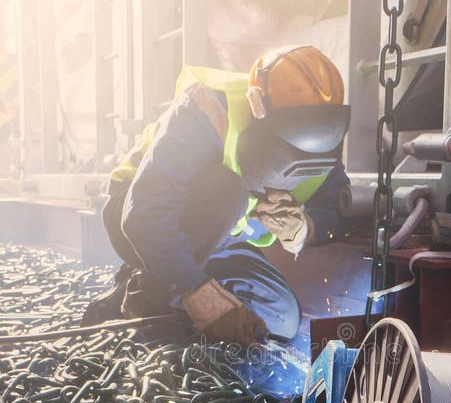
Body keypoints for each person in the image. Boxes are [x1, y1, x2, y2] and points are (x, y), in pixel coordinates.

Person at [95, 45, 352, 346]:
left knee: (282, 319)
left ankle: (182, 294)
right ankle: (143, 290)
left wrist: (303, 228)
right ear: (258, 105)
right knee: (227, 191)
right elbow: (144, 216)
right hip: (139, 219)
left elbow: (337, 210)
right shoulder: (207, 111)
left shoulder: (322, 139)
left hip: (226, 240)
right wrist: (200, 294)